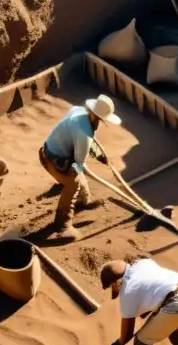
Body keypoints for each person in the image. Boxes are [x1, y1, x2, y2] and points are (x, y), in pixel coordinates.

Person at [38, 94, 121, 239]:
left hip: (47, 149)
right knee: (74, 181)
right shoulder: (84, 134)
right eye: (101, 120)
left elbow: (82, 139)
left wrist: (99, 155)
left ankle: (82, 201)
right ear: (94, 116)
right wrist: (77, 171)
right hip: (52, 160)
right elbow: (79, 164)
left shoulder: (78, 110)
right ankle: (62, 225)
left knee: (79, 178)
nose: (100, 124)